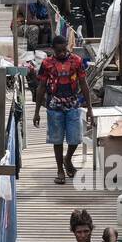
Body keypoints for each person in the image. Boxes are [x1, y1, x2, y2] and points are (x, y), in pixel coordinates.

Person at [32, 35, 93, 184]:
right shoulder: (47, 63)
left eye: (64, 50)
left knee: (75, 138)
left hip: (72, 103)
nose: (61, 53)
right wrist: (36, 111)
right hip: (54, 105)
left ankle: (67, 159)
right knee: (57, 139)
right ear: (53, 49)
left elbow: (83, 84)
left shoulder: (76, 61)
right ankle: (60, 169)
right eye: (58, 51)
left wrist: (90, 108)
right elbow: (41, 87)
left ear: (67, 47)